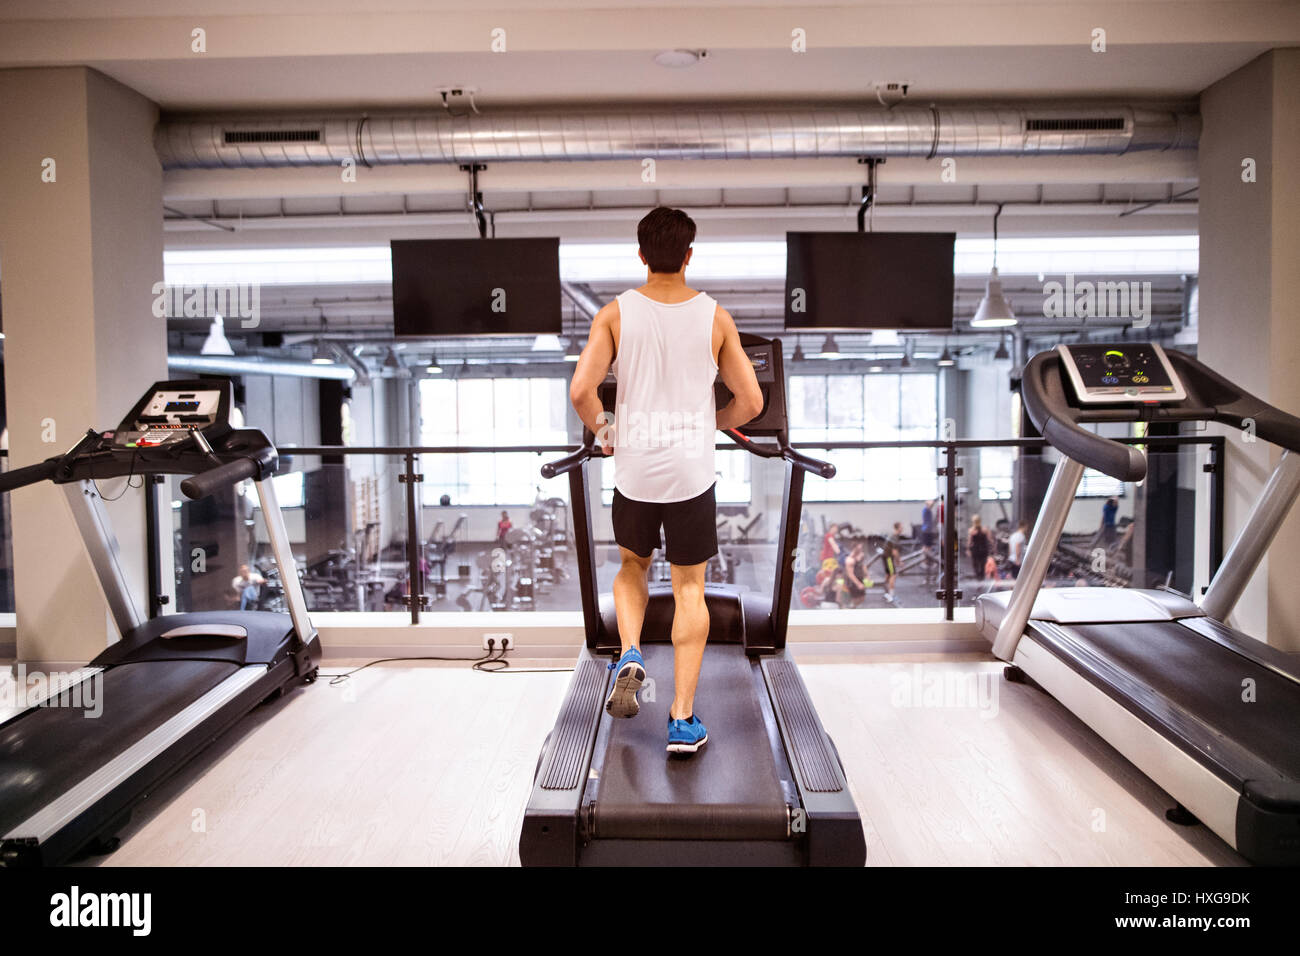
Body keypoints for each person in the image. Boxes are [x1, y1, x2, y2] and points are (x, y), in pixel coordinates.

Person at [567, 206, 763, 755]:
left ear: (641, 254)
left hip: (635, 469)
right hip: (690, 474)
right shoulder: (715, 318)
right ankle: (681, 719)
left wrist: (607, 431)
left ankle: (630, 651)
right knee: (689, 587)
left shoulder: (614, 314)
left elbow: (583, 391)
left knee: (633, 566)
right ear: (689, 255)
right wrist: (710, 423)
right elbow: (751, 401)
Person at [842, 542, 868, 608]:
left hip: (860, 579)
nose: (861, 550)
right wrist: (858, 584)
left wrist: (867, 575)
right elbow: (850, 574)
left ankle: (853, 607)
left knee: (862, 598)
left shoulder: (861, 555)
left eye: (861, 548)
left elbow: (863, 566)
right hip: (853, 582)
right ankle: (851, 608)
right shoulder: (850, 560)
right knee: (855, 599)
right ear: (855, 548)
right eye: (859, 548)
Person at [967, 515, 991, 582]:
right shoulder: (984, 529)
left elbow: (969, 542)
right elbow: (989, 540)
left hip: (977, 549)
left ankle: (979, 576)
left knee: (977, 563)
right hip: (982, 548)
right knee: (981, 563)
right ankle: (980, 576)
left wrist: (968, 549)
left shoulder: (971, 530)